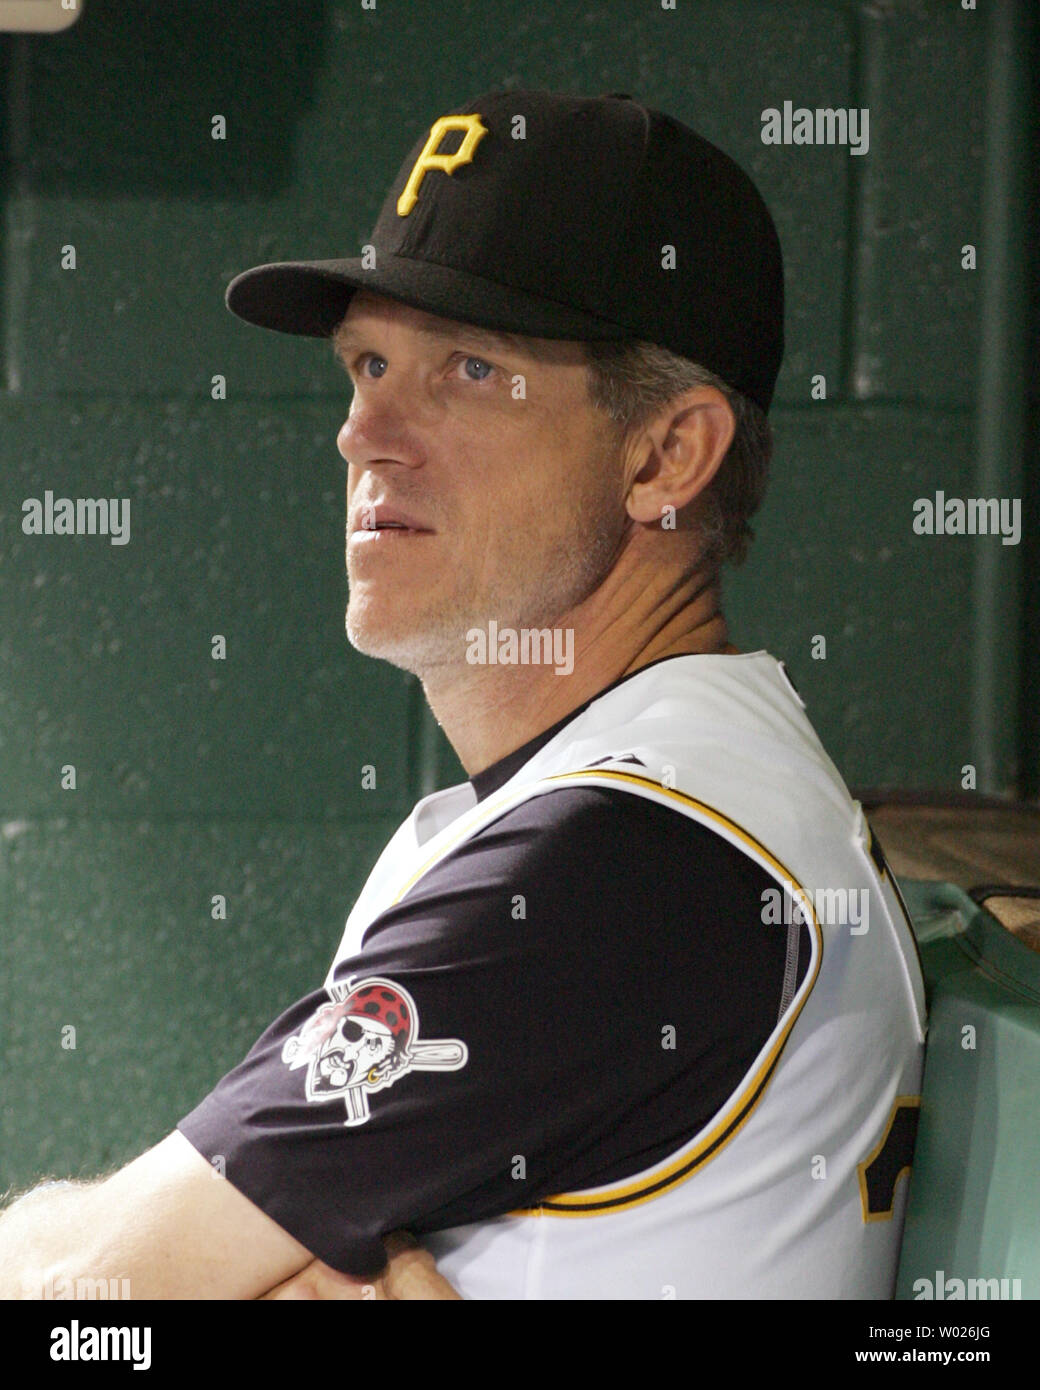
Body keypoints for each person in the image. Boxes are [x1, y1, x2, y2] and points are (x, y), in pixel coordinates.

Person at [0, 89, 925, 1301]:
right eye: (368, 363)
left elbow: (78, 1312)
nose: (363, 431)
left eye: (470, 369)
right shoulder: (628, 799)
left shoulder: (620, 865)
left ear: (665, 455)